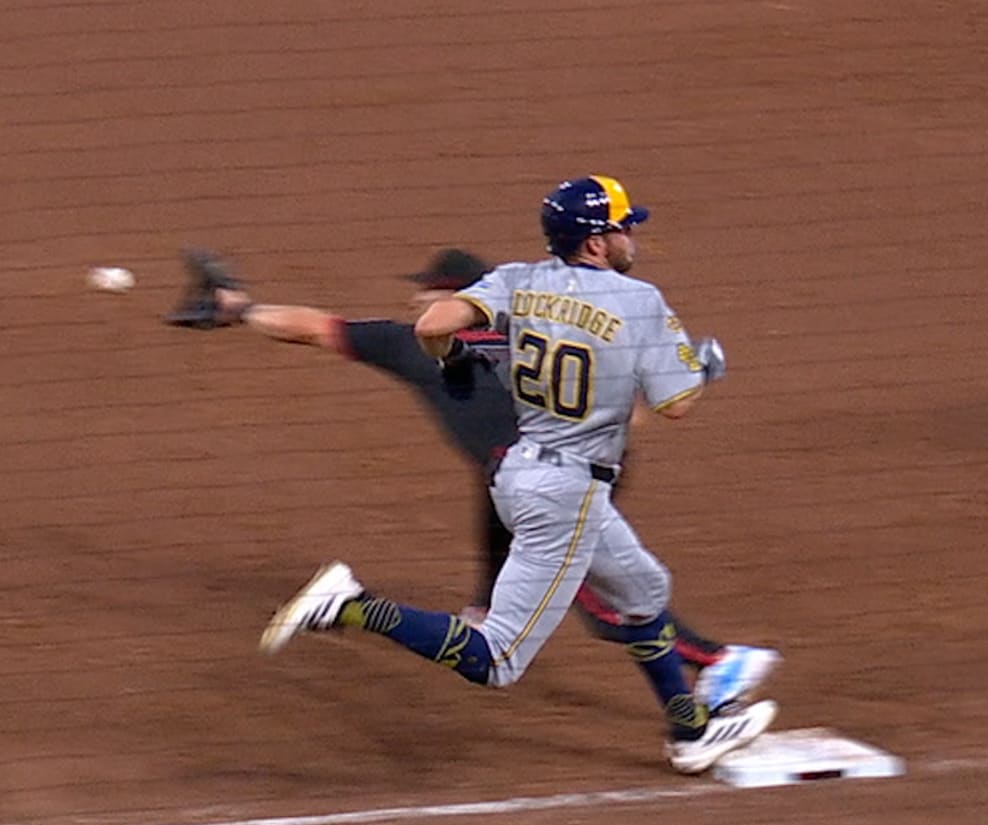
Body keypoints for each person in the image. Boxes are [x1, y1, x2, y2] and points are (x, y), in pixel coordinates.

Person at [254, 176, 777, 773]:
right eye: (623, 226)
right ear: (597, 243)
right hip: (569, 492)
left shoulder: (517, 280)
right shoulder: (641, 303)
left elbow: (431, 328)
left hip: (519, 472)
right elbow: (675, 404)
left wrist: (448, 361)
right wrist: (700, 367)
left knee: (644, 592)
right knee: (496, 658)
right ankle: (352, 606)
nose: (632, 235)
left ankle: (691, 731)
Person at [169, 248, 779, 712]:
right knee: (519, 533)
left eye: (427, 294)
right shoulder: (538, 328)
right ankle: (685, 691)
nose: (417, 305)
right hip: (540, 470)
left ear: (451, 297)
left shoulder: (418, 343)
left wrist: (240, 309)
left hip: (548, 484)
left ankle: (719, 663)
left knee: (598, 600)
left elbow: (312, 327)